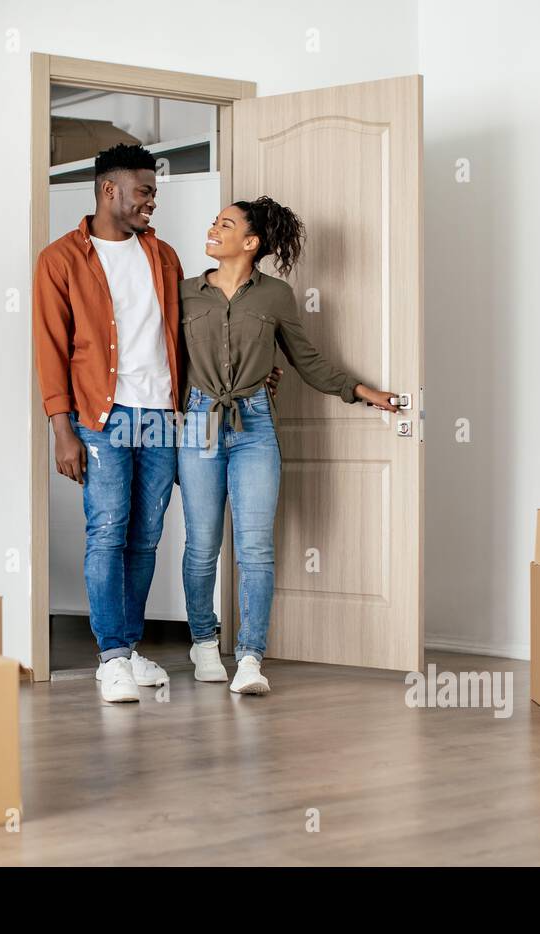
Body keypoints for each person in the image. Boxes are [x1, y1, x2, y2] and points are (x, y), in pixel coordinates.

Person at [177, 196, 400, 695]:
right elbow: (166, 361)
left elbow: (307, 360)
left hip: (255, 424)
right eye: (214, 221)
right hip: (198, 423)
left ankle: (252, 658)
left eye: (225, 224)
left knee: (255, 548)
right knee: (202, 545)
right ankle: (203, 642)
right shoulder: (185, 293)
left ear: (251, 243)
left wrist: (363, 391)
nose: (214, 229)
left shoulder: (276, 296)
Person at [32, 143, 182, 703]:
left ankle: (129, 645)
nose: (151, 203)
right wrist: (60, 426)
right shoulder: (60, 259)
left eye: (154, 194)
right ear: (108, 190)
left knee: (145, 536)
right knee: (107, 528)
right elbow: (49, 348)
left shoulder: (163, 256)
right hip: (103, 414)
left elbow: (181, 337)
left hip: (160, 413)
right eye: (144, 192)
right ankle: (111, 656)